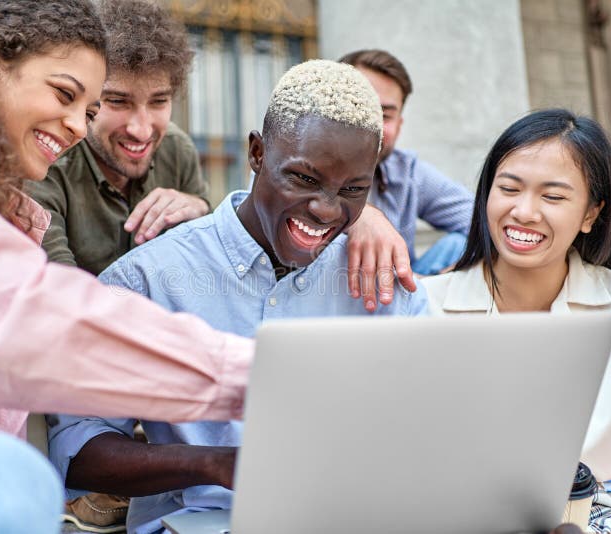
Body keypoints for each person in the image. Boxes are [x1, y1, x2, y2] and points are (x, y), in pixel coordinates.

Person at [0, 1, 251, 530]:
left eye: (87, 112)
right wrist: (250, 375)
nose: (73, 126)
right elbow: (26, 313)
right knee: (7, 478)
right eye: (66, 95)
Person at [48, 59, 428, 534]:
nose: (327, 210)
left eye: (352, 190)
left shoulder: (386, 278)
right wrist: (215, 465)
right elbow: (76, 451)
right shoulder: (148, 278)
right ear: (256, 153)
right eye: (304, 180)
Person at [422, 109, 611, 533]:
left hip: (581, 514)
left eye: (552, 197)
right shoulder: (426, 304)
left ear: (591, 214)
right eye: (508, 188)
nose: (524, 212)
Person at [26, 0, 210, 277]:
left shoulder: (177, 149)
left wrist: (202, 212)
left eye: (159, 101)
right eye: (118, 102)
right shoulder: (46, 160)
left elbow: (213, 274)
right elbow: (60, 290)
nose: (142, 130)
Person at [339, 49, 474, 275]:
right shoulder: (294, 166)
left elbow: (484, 220)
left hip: (396, 297)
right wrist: (359, 216)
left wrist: (451, 279)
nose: (372, 126)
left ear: (399, 125)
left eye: (385, 115)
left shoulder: (407, 172)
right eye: (358, 108)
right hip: (322, 297)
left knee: (460, 247)